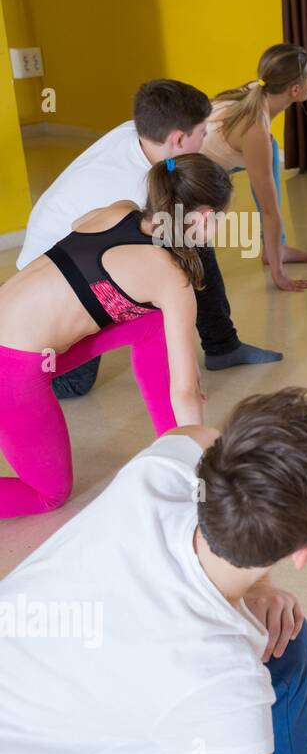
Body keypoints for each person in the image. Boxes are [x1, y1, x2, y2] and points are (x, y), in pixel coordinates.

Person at [0, 387, 307, 754]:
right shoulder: (225, 684)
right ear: (305, 550)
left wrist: (259, 586)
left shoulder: (163, 471)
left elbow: (195, 434)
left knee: (282, 641)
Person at [16, 80, 280, 398]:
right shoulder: (137, 190)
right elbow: (162, 277)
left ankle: (222, 345)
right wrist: (183, 368)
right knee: (74, 382)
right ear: (179, 139)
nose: (208, 138)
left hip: (76, 255)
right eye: (204, 132)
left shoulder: (140, 136)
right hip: (54, 279)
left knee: (193, 240)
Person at [0, 154, 231, 517]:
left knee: (151, 322)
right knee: (48, 494)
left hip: (16, 339)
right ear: (203, 217)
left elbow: (79, 225)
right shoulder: (170, 276)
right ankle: (182, 462)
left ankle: (168, 448)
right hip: (11, 368)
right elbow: (185, 390)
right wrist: (199, 463)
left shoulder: (118, 210)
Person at [204, 43, 307, 292]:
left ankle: (276, 248)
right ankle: (274, 253)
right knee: (265, 156)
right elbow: (270, 211)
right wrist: (280, 276)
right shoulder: (255, 129)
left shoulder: (258, 88)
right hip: (190, 171)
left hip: (212, 153)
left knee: (271, 145)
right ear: (295, 89)